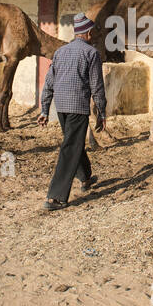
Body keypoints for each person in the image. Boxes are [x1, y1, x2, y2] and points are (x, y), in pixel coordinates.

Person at [38, 13, 107, 210]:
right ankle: (56, 197)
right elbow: (97, 87)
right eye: (93, 33)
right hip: (78, 107)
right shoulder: (91, 53)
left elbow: (49, 82)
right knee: (70, 148)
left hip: (61, 107)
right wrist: (102, 113)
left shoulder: (60, 52)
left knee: (73, 142)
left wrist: (44, 109)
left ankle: (85, 178)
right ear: (89, 32)